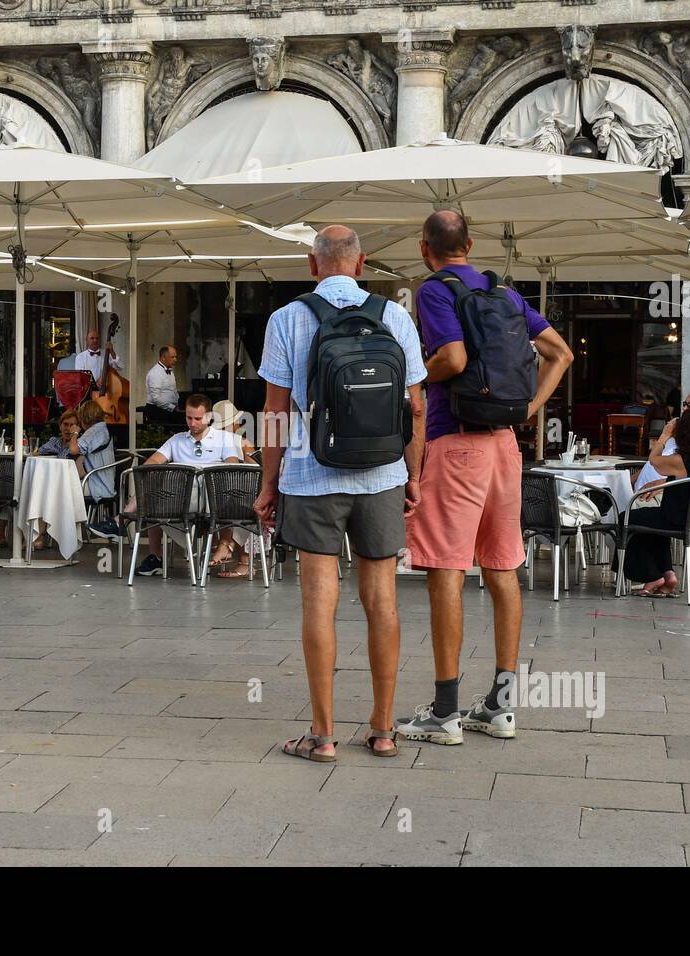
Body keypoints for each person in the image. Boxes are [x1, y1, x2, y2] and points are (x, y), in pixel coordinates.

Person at [396, 210, 574, 746]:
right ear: (469, 244)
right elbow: (560, 353)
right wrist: (528, 409)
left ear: (425, 249)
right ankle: (500, 705)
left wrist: (410, 377)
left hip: (456, 445)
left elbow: (451, 356)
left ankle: (445, 711)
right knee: (502, 566)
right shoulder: (505, 291)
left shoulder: (434, 290)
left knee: (446, 569)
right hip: (505, 447)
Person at [254, 225, 427, 761]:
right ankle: (382, 730)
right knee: (382, 600)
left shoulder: (286, 319)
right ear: (362, 263)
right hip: (381, 476)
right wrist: (413, 474)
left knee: (318, 602)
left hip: (311, 477)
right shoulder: (395, 316)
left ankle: (323, 735)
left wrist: (268, 484)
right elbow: (416, 408)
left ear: (313, 266)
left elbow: (276, 413)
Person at [619, 404, 690, 597]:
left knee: (626, 517)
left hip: (679, 520)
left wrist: (665, 435)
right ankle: (667, 575)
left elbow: (653, 460)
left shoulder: (682, 461)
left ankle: (652, 575)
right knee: (650, 521)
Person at [133, 393, 244, 577]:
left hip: (212, 500)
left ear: (208, 417)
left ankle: (120, 521)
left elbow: (232, 467)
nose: (193, 423)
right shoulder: (177, 439)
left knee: (224, 493)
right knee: (152, 490)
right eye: (189, 418)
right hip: (180, 500)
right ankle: (155, 557)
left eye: (198, 419)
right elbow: (150, 464)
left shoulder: (223, 438)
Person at [208, 399, 259, 579]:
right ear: (234, 422)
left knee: (227, 503)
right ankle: (242, 560)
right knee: (244, 503)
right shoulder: (242, 442)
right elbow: (258, 470)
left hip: (210, 502)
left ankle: (223, 544)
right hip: (237, 501)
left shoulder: (208, 442)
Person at [73, 400, 120, 540]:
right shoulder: (103, 428)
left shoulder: (93, 431)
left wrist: (75, 433)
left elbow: (73, 449)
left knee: (61, 490)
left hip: (97, 485)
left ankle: (69, 534)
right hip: (106, 483)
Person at [73, 325, 122, 391]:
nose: (95, 340)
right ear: (87, 341)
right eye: (92, 338)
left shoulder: (106, 354)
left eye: (97, 338)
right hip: (88, 392)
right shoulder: (80, 357)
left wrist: (112, 352)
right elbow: (80, 378)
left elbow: (119, 367)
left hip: (106, 391)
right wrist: (94, 384)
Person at [146, 345, 180, 411]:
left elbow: (174, 391)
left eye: (175, 357)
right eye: (172, 357)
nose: (175, 360)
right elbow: (156, 398)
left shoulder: (170, 372)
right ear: (163, 357)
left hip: (170, 409)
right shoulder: (155, 373)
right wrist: (173, 407)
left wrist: (179, 404)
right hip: (158, 411)